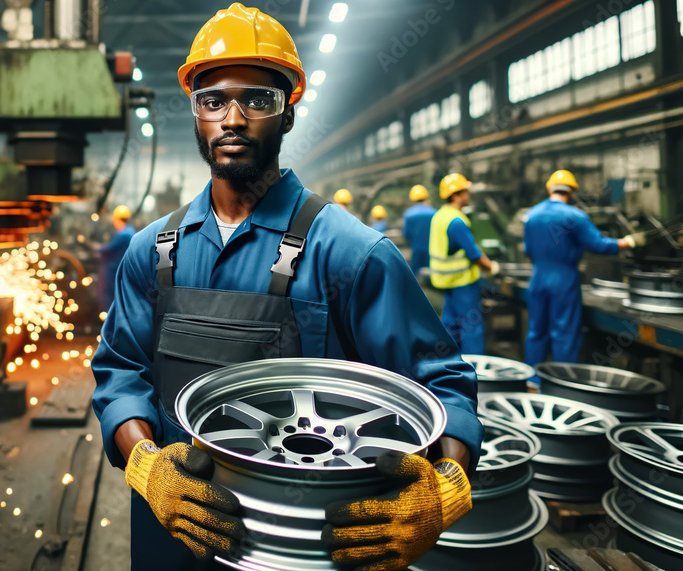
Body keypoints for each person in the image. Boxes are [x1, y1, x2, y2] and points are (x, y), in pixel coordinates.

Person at [91, 4, 482, 571]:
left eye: (258, 100)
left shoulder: (349, 254)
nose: (233, 118)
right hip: (173, 536)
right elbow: (121, 371)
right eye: (213, 100)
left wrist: (445, 486)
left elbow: (441, 384)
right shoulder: (152, 250)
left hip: (306, 544)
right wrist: (148, 467)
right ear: (195, 113)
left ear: (288, 114)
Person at [523, 169, 643, 374]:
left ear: (550, 189)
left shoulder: (531, 214)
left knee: (536, 331)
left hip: (538, 278)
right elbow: (599, 245)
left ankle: (532, 381)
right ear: (570, 192)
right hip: (564, 280)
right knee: (564, 332)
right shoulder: (574, 216)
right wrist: (628, 242)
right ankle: (561, 382)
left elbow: (528, 250)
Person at [429, 173, 498, 355]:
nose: (468, 195)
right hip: (463, 283)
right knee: (471, 329)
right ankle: (476, 372)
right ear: (456, 195)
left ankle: (451, 367)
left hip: (446, 281)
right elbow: (474, 253)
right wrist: (491, 267)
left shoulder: (439, 216)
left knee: (451, 327)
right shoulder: (456, 221)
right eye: (465, 191)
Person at [96, 205, 135, 312]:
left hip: (113, 269)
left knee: (108, 294)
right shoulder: (130, 231)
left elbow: (110, 248)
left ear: (116, 219)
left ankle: (107, 320)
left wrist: (96, 247)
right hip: (119, 269)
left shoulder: (125, 234)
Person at [403, 184, 436, 277]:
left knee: (416, 276)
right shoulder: (433, 212)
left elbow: (406, 234)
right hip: (431, 249)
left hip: (416, 249)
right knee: (430, 275)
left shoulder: (408, 214)